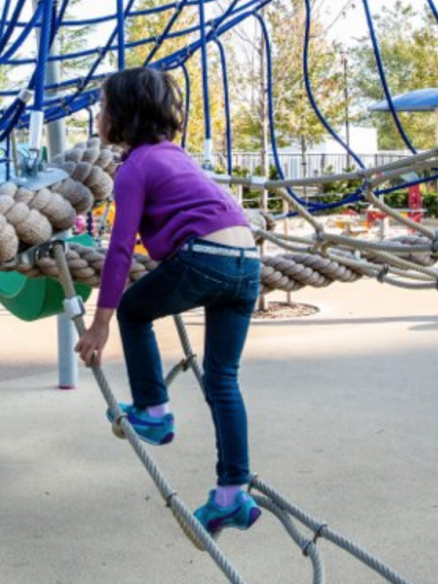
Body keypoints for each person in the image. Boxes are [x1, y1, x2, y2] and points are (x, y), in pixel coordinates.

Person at [74, 67, 262, 537]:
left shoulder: (134, 167)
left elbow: (120, 250)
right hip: (247, 262)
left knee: (134, 311)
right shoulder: (178, 157)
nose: (99, 117)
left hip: (206, 259)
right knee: (223, 379)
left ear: (122, 115)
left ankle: (153, 411)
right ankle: (232, 494)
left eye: (103, 107)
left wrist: (100, 322)